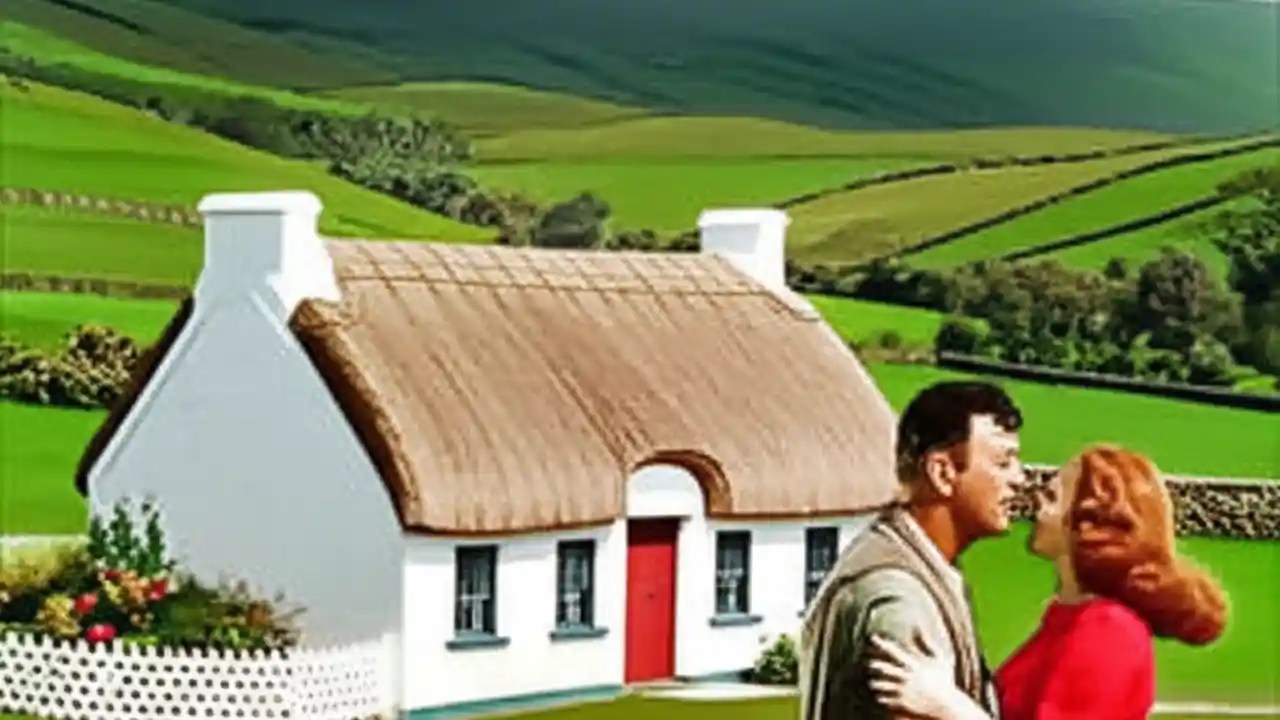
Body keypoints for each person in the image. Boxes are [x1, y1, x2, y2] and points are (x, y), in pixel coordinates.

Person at [866, 444, 1229, 720]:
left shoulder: (1109, 633)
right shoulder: (1068, 619)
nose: (1036, 502)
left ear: (1087, 527)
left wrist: (944, 704)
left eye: (1053, 497)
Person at [798, 380, 1026, 720]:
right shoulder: (898, 601)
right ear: (942, 473)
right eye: (1003, 462)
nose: (1019, 479)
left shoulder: (903, 558)